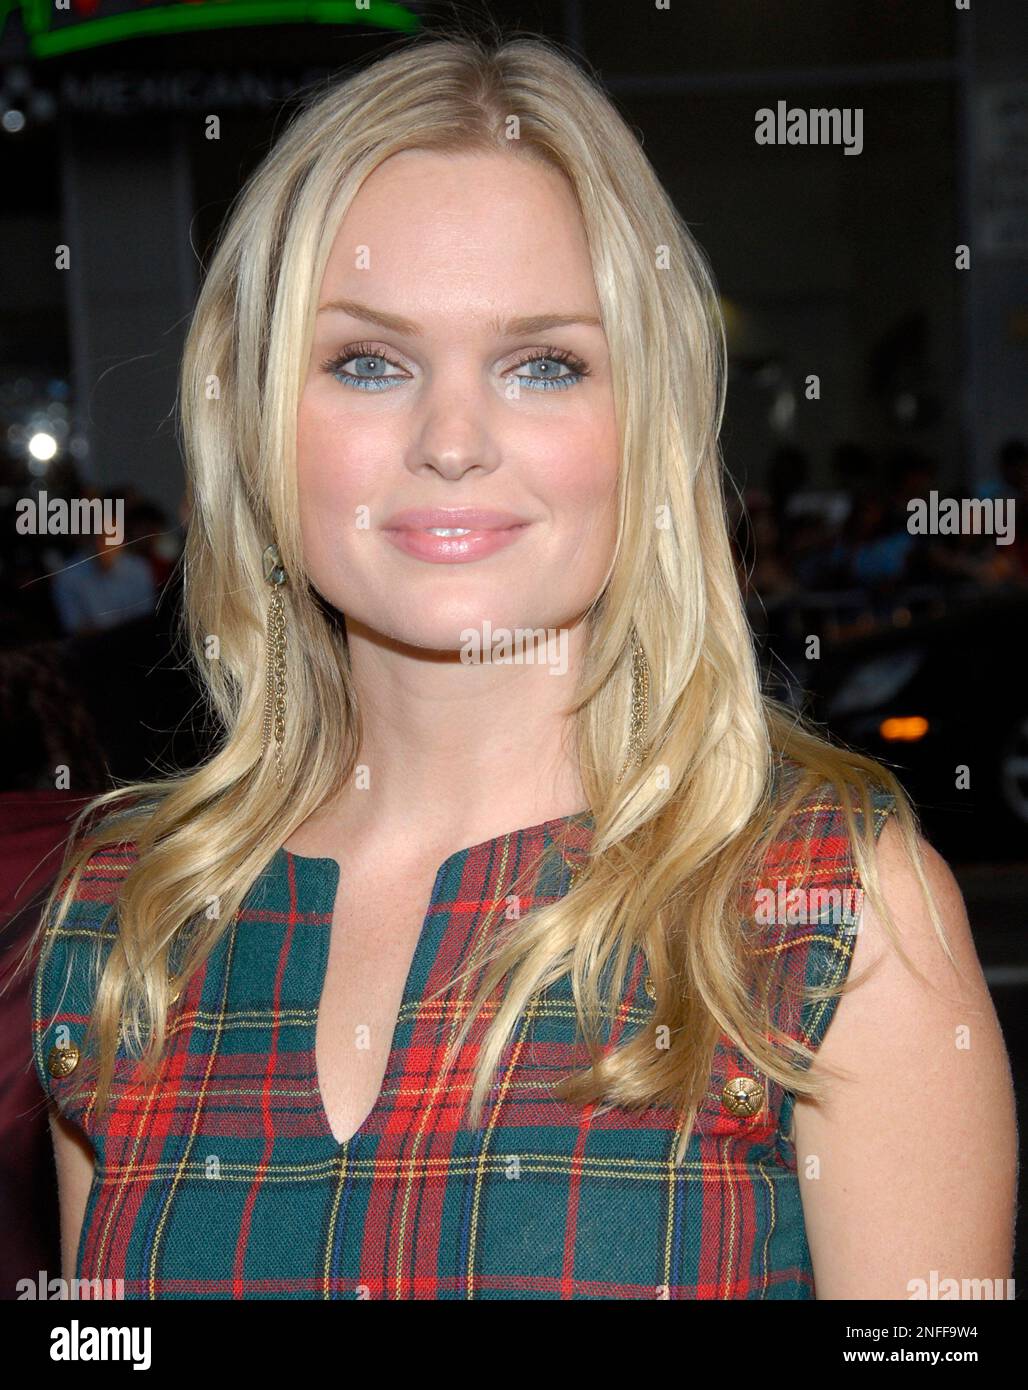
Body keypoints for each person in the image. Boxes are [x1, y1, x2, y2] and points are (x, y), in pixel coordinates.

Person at [23, 29, 1015, 1301]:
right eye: (367, 363)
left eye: (542, 363)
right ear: (259, 417)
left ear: (643, 416)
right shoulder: (122, 914)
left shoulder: (826, 907)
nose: (449, 439)